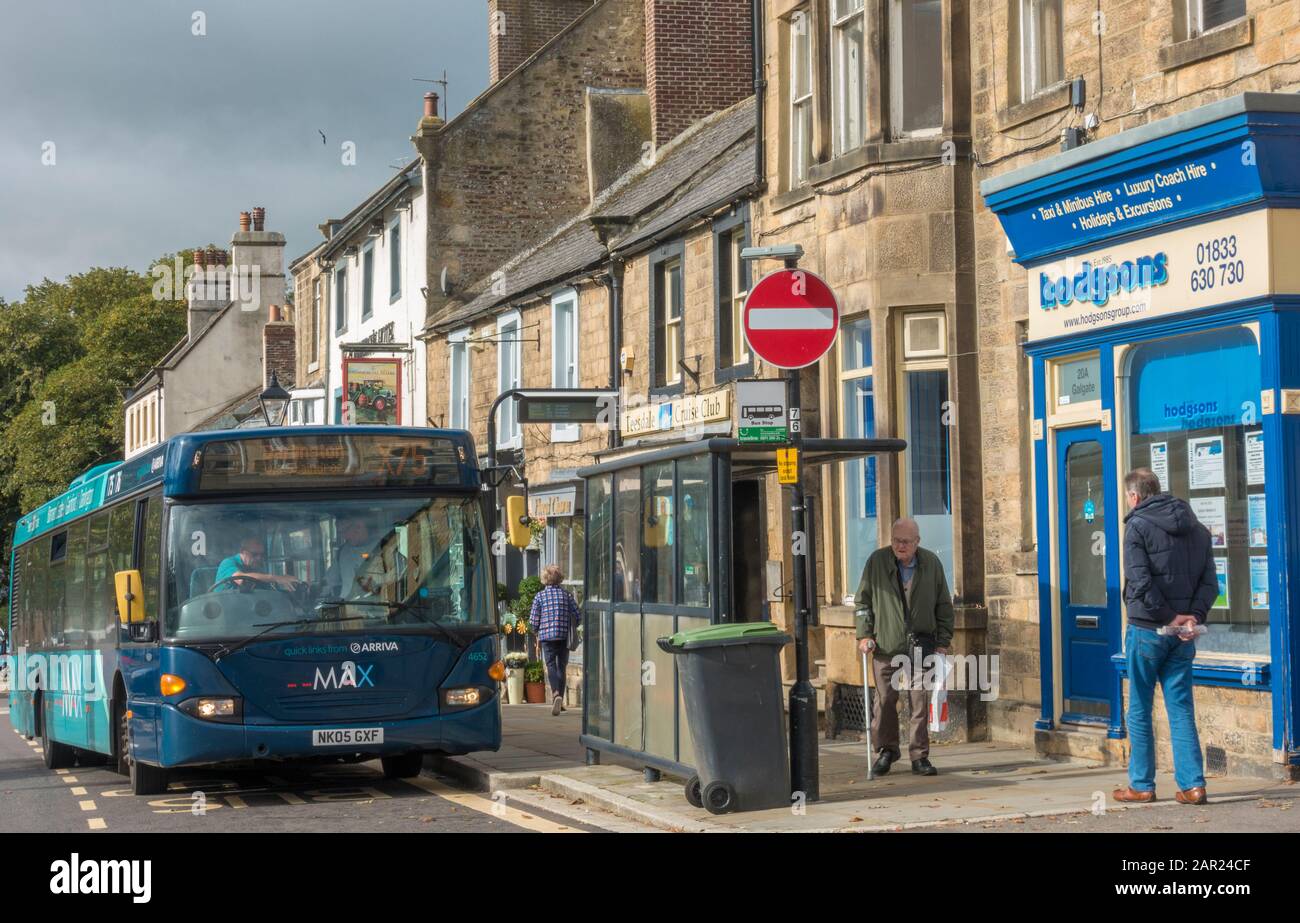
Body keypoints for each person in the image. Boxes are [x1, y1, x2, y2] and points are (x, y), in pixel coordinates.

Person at [1113, 468, 1216, 806]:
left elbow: (1140, 582)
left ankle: (1141, 785)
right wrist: (1192, 619)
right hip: (1183, 635)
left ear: (1134, 496)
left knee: (1139, 708)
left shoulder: (1137, 527)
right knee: (1181, 707)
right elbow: (1210, 585)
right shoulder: (1198, 530)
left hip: (1147, 629)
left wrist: (1171, 618)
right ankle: (1193, 786)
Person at [854, 517, 954, 777]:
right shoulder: (877, 562)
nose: (900, 546)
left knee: (919, 701)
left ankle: (919, 756)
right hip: (886, 644)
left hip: (921, 644)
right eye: (896, 540)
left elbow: (944, 605)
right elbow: (863, 602)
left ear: (917, 542)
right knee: (885, 699)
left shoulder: (931, 563)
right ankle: (887, 750)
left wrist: (943, 641)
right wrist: (864, 635)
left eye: (906, 541)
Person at [529, 565, 580, 716]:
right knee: (561, 667)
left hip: (547, 637)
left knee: (550, 665)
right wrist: (570, 625)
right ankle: (561, 700)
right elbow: (578, 615)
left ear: (544, 578)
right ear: (559, 578)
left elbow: (533, 620)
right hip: (564, 636)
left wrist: (535, 631)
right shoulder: (567, 595)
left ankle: (556, 694)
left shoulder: (539, 597)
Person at [324, 515, 403, 599]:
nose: (344, 537)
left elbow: (398, 576)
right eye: (340, 533)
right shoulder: (342, 552)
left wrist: (376, 580)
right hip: (347, 607)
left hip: (378, 607)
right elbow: (330, 580)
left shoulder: (384, 547)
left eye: (345, 531)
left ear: (359, 526)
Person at [214, 537, 301, 592]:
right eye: (254, 554)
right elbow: (241, 578)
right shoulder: (228, 562)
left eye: (261, 555)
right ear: (242, 551)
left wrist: (286, 586)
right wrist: (277, 578)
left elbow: (268, 590)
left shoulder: (257, 569)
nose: (259, 558)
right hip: (225, 612)